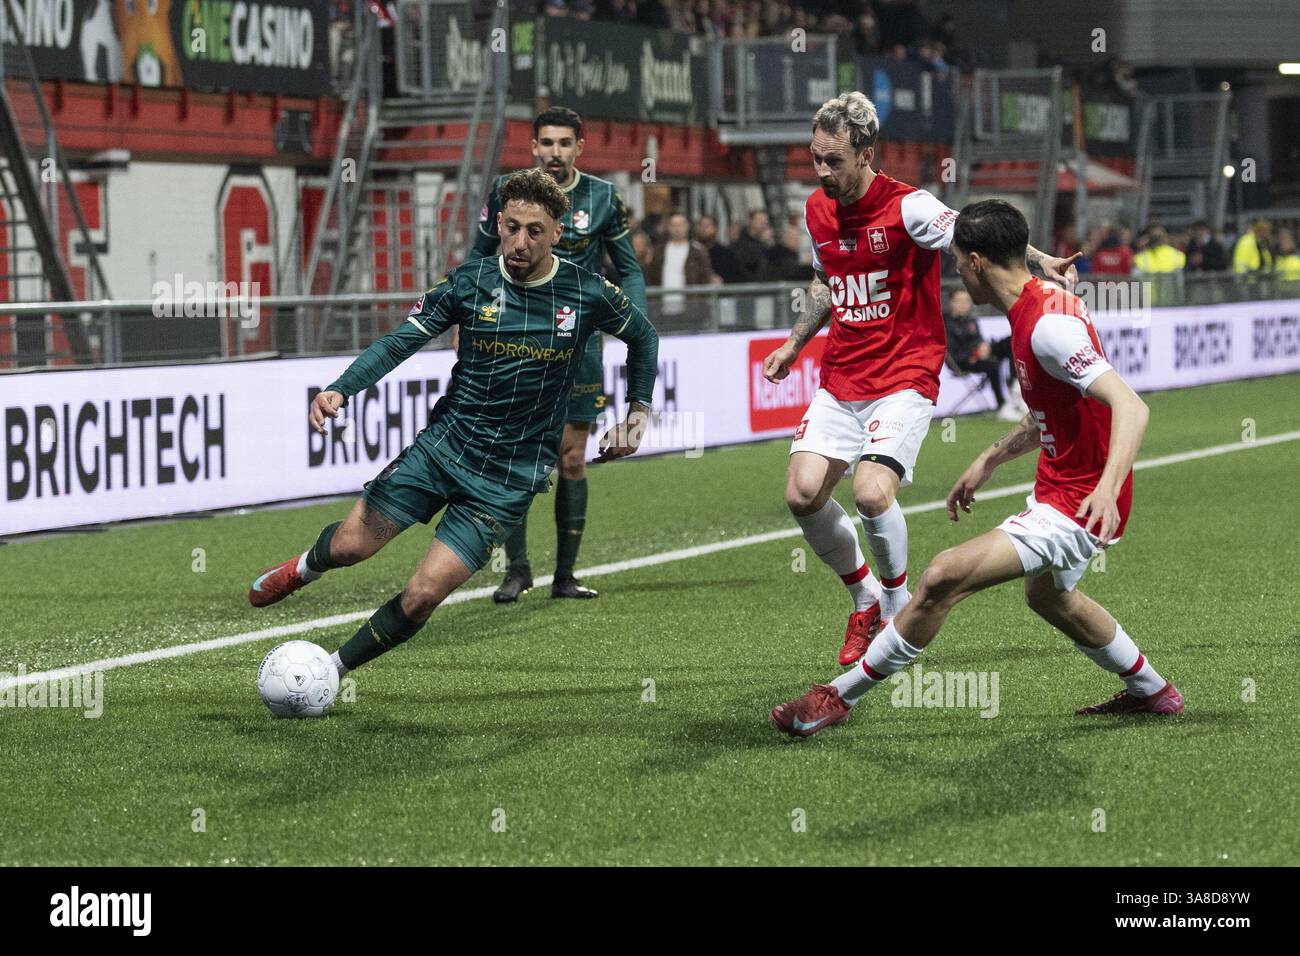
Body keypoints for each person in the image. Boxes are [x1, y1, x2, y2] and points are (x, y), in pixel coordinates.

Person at [771, 199, 1182, 738]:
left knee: (943, 576)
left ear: (979, 262)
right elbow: (1057, 414)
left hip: (1079, 501)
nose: (957, 274)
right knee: (1049, 597)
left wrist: (1105, 490)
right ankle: (1154, 692)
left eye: (960, 262)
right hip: (1061, 484)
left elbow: (1131, 405)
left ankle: (836, 697)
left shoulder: (1048, 327)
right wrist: (993, 456)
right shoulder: (1036, 309)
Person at [247, 169, 659, 678]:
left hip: (507, 478)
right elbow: (401, 341)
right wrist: (341, 387)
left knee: (422, 596)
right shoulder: (470, 282)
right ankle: (303, 569)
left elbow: (644, 337)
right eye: (511, 227)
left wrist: (637, 414)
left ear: (557, 233)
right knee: (351, 546)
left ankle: (328, 672)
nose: (520, 241)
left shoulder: (587, 292)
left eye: (535, 230)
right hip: (443, 448)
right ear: (499, 224)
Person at [761, 92, 1079, 667]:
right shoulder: (814, 210)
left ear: (865, 153)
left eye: (834, 160)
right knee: (802, 495)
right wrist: (794, 343)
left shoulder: (909, 208)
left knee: (869, 492)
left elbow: (977, 234)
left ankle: (893, 602)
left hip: (905, 373)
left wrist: (1040, 262)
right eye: (816, 159)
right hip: (842, 376)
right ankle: (863, 599)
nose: (823, 171)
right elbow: (824, 283)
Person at [468, 107, 649, 603]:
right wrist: (470, 320)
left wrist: (636, 321)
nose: (554, 152)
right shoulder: (506, 192)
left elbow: (628, 268)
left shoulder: (603, 197)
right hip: (513, 343)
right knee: (518, 455)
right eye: (546, 142)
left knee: (570, 459)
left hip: (578, 348)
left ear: (579, 149)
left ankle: (565, 576)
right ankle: (517, 570)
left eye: (564, 143)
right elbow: (478, 258)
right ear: (532, 147)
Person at [943, 287, 1021, 421]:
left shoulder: (971, 321)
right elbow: (951, 352)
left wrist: (983, 347)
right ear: (951, 302)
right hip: (962, 361)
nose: (963, 305)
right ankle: (1001, 405)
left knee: (1011, 342)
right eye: (959, 301)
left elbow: (979, 340)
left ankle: (1015, 386)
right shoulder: (945, 323)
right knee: (993, 365)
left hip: (980, 355)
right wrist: (975, 352)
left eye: (966, 301)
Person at [645, 211, 714, 327]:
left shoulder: (698, 251)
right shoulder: (658, 251)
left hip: (691, 310)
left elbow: (704, 279)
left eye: (681, 224)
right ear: (668, 227)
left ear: (687, 226)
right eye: (674, 225)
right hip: (662, 311)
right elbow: (651, 277)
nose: (677, 228)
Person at [694, 214, 741, 283]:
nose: (703, 229)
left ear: (715, 229)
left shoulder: (726, 254)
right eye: (701, 226)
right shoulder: (691, 252)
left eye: (707, 226)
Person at [733, 209, 774, 283]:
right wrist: (762, 242)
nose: (763, 224)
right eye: (760, 221)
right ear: (750, 221)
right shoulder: (741, 243)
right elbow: (751, 262)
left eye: (765, 222)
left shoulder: (767, 243)